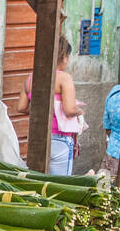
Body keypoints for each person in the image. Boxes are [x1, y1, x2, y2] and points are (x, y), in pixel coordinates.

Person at [16, 37, 84, 175]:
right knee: (59, 186)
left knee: (38, 182)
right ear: (64, 57)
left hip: (35, 138)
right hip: (59, 139)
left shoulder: (30, 77)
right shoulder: (65, 78)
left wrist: (44, 110)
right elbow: (69, 109)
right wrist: (80, 111)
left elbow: (21, 108)